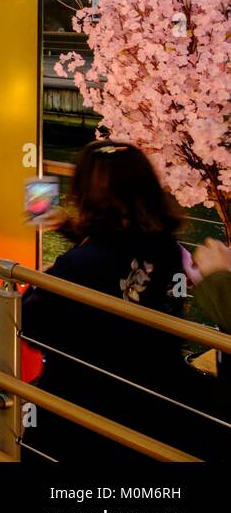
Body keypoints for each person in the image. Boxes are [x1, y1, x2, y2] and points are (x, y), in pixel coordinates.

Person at [20, 140, 225, 461]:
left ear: (85, 194)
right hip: (158, 401)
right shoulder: (168, 249)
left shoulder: (76, 266)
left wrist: (39, 282)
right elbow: (118, 257)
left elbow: (32, 327)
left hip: (85, 410)